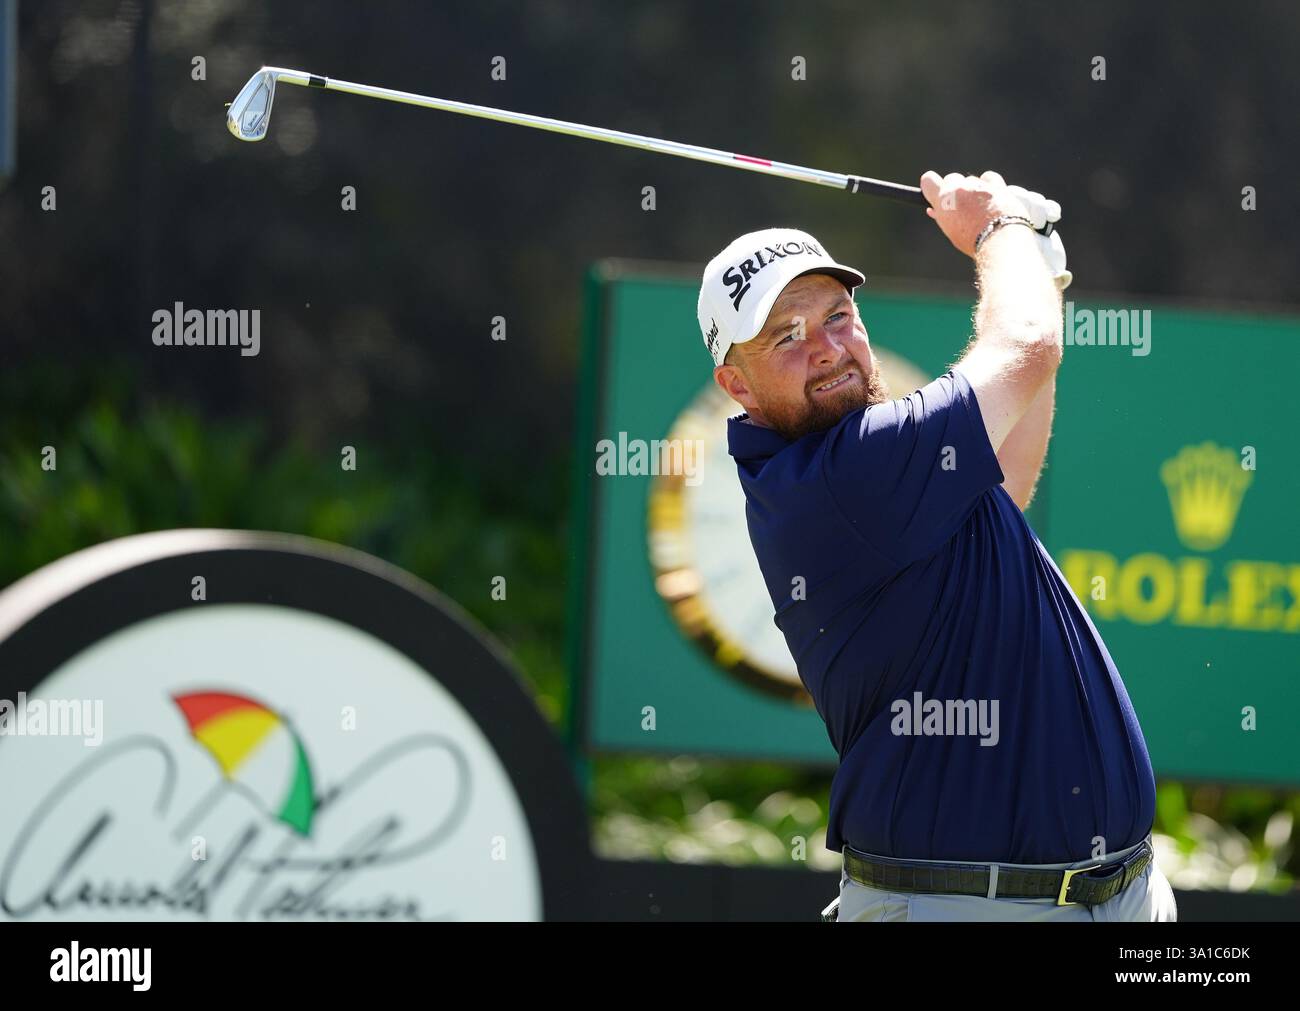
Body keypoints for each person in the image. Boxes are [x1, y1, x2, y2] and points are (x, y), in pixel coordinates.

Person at [694, 170, 1176, 921]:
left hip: (1116, 895)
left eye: (836, 315)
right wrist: (996, 229)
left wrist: (1039, 261)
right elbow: (1026, 344)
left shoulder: (886, 467)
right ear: (738, 385)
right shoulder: (841, 474)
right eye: (785, 336)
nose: (823, 347)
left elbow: (1007, 474)